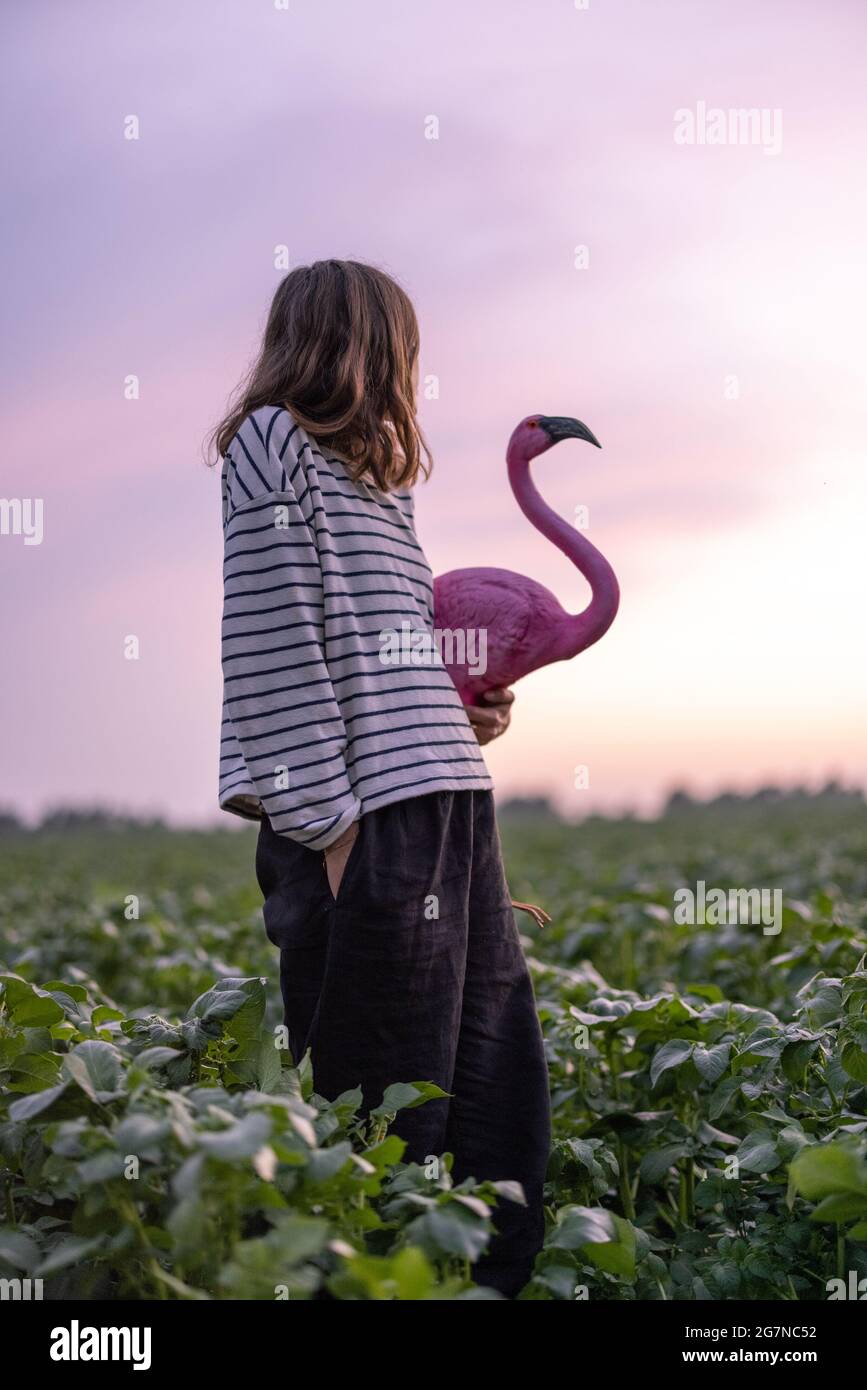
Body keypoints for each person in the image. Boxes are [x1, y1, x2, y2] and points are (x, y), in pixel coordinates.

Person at [211, 259, 551, 1297]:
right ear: (347, 342)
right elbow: (280, 647)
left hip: (445, 806)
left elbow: (381, 653)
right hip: (363, 828)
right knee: (382, 1106)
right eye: (399, 346)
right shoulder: (271, 447)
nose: (409, 372)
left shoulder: (380, 484)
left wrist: (461, 716)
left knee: (495, 1089)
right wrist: (335, 837)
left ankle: (483, 1290)